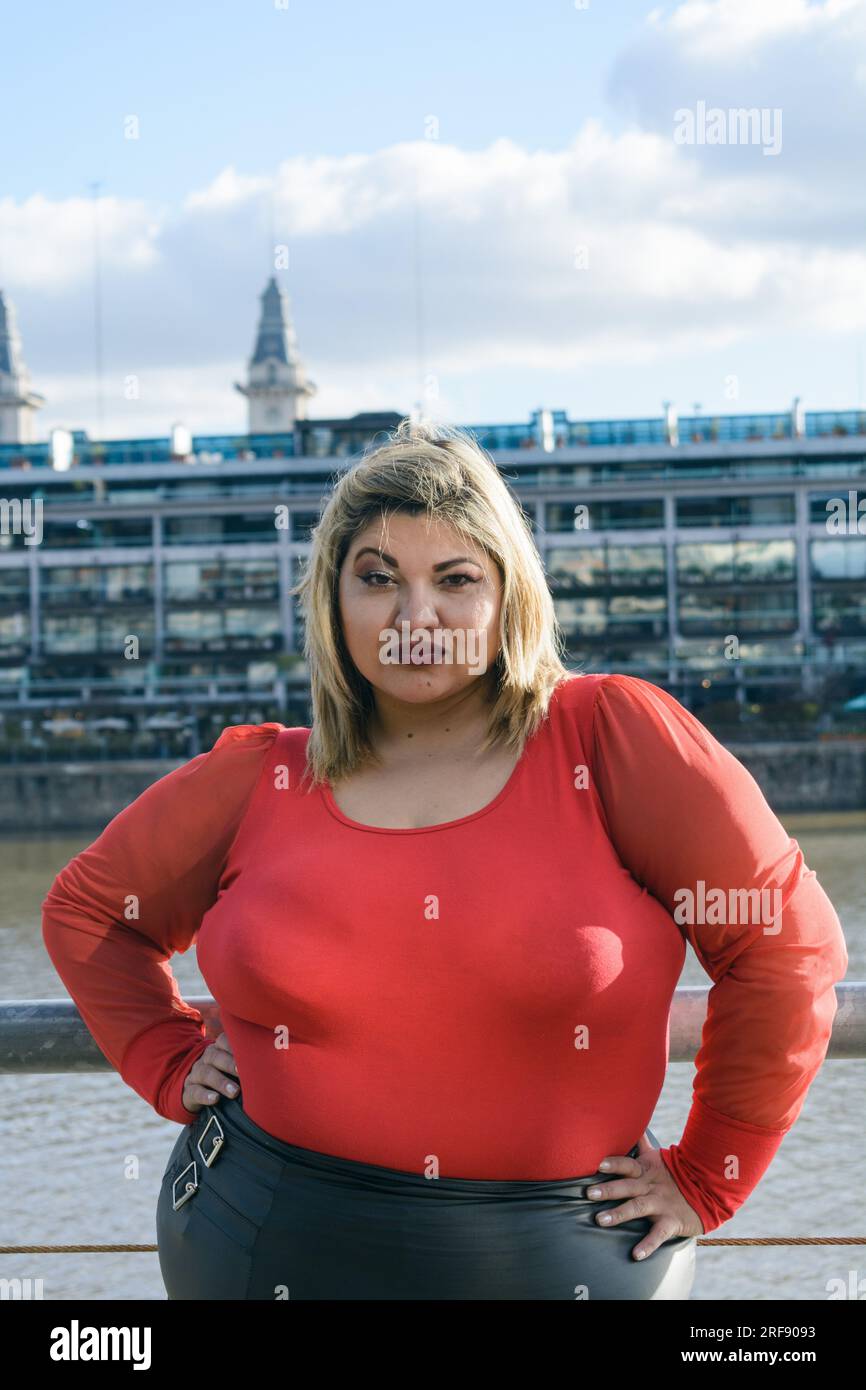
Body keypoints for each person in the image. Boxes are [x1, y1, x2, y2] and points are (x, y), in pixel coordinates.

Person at [41, 419, 848, 1300]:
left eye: (455, 579)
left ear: (509, 595)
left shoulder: (613, 740)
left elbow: (784, 949)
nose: (414, 616)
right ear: (333, 603)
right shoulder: (258, 778)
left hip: (557, 1254)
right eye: (377, 579)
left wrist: (708, 1177)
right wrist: (165, 1056)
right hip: (257, 1235)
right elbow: (89, 914)